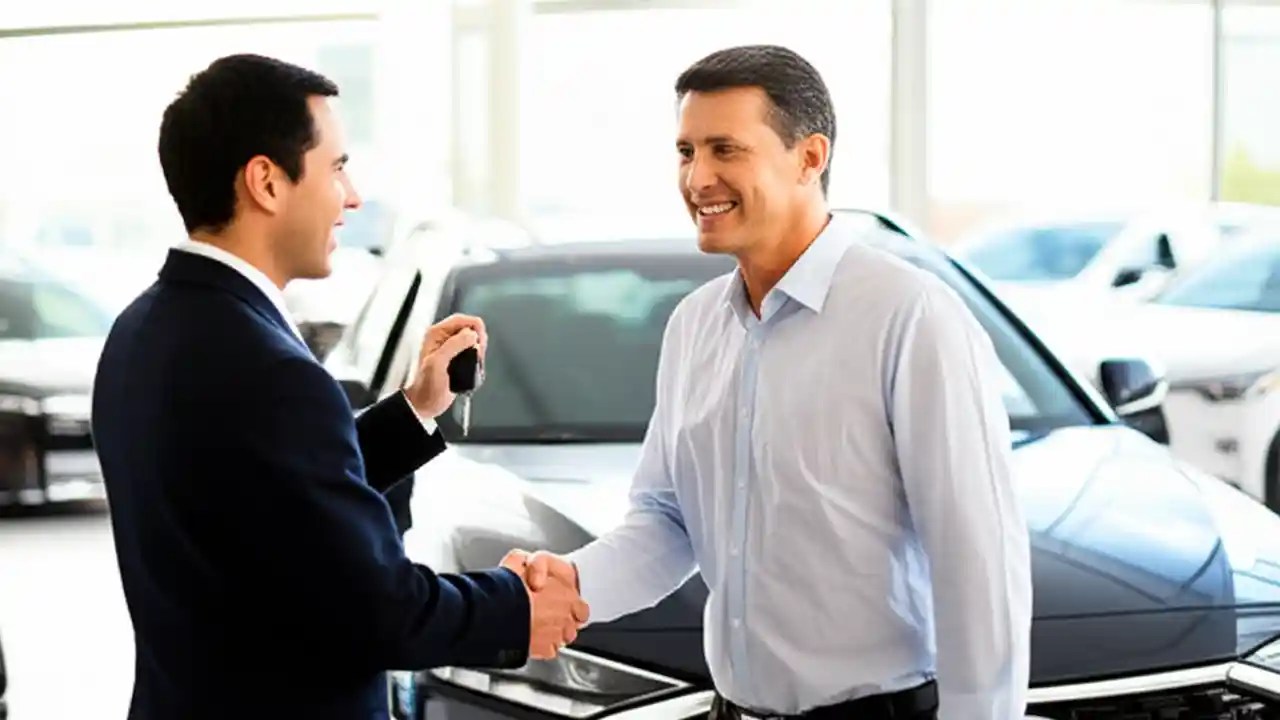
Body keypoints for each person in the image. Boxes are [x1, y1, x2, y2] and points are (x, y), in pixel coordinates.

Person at [508, 45, 1032, 719]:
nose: (698, 178)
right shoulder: (694, 324)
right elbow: (669, 522)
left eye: (725, 150)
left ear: (809, 158)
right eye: (686, 151)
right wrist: (577, 580)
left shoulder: (909, 314)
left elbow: (976, 561)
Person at [91, 53, 587, 720]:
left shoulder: (143, 329)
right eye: (337, 168)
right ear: (267, 182)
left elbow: (266, 501)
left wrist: (413, 411)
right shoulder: (269, 369)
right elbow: (375, 610)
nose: (351, 197)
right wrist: (518, 608)